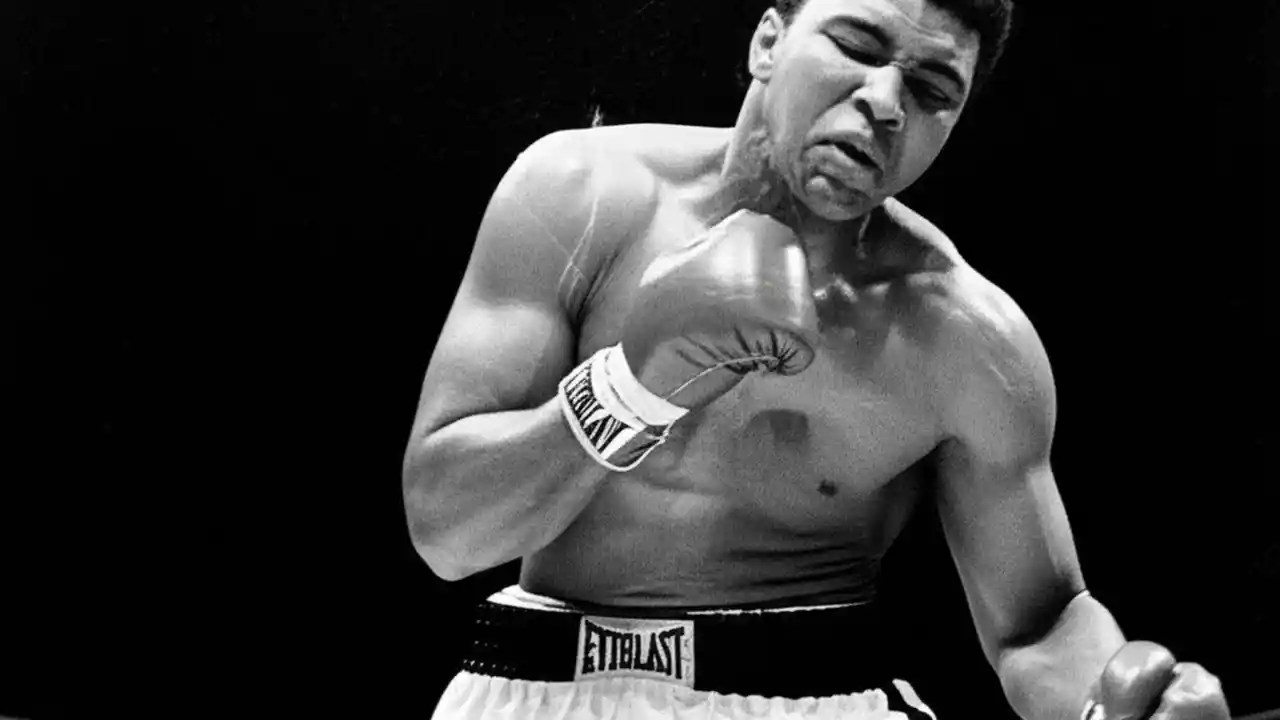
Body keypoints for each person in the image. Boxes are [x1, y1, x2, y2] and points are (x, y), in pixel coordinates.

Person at [402, 0, 1232, 717]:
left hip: (811, 697)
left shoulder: (966, 337)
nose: (885, 102)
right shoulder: (579, 195)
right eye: (859, 48)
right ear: (768, 40)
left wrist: (1110, 705)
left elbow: (1039, 623)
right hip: (530, 681)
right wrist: (632, 386)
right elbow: (447, 531)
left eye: (933, 89)